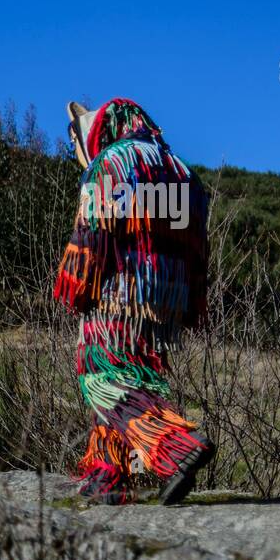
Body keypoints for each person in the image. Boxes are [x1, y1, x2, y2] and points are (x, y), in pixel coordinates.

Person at [56, 98, 215, 504]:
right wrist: (192, 302)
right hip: (166, 299)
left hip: (119, 289)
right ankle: (106, 474)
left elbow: (93, 232)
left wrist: (74, 284)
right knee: (128, 378)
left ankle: (176, 444)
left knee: (101, 376)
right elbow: (200, 249)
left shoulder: (113, 160)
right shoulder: (182, 171)